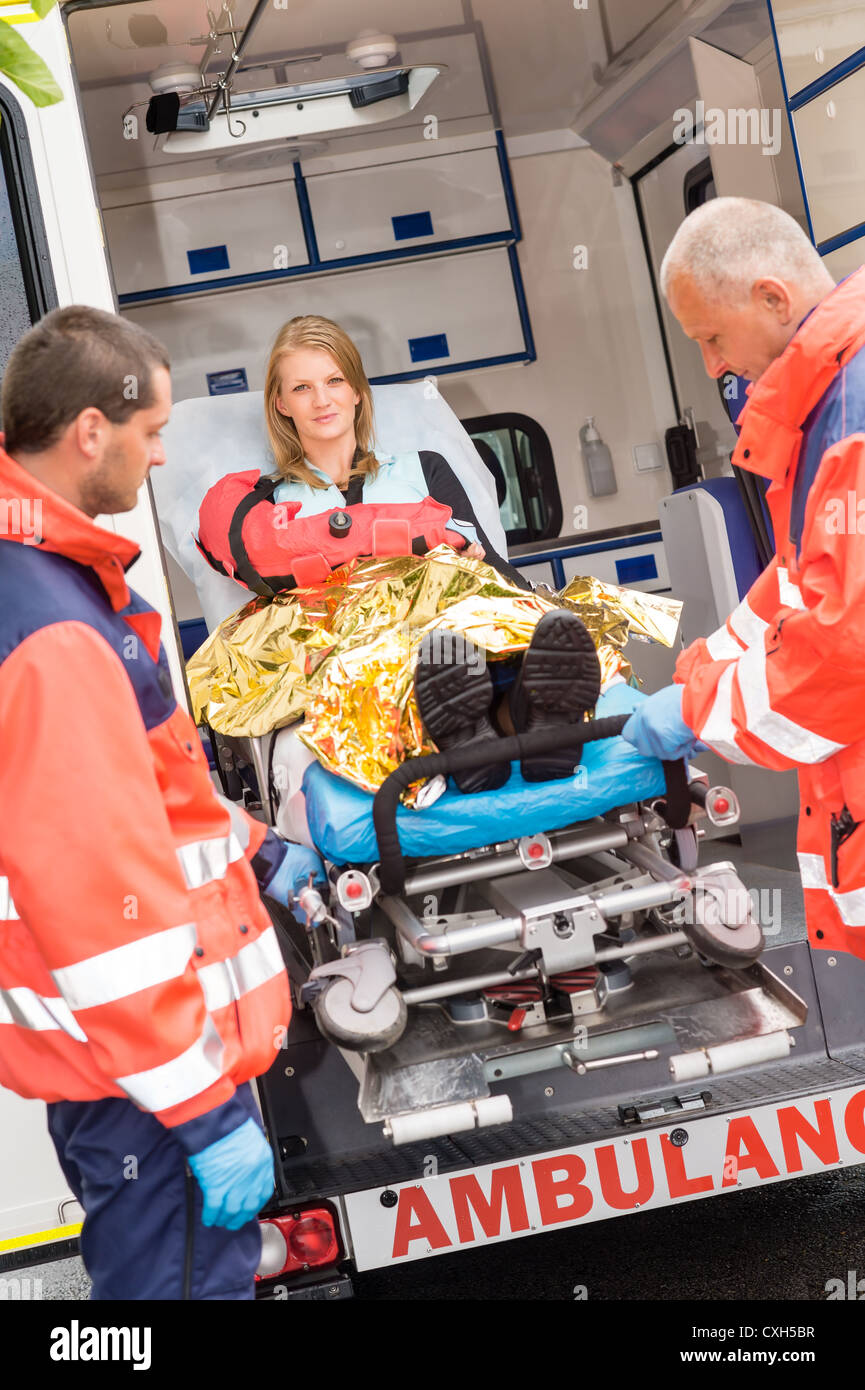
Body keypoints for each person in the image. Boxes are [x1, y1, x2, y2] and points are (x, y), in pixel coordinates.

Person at [0, 305, 325, 1300]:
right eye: (151, 434)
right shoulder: (53, 625)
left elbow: (141, 801)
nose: (159, 457)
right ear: (89, 430)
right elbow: (101, 908)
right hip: (143, 1086)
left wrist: (257, 850)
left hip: (127, 1074)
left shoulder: (52, 583)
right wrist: (205, 1115)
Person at [197, 315, 603, 792]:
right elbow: (261, 577)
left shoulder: (424, 470)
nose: (323, 399)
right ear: (281, 403)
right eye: (303, 388)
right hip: (347, 646)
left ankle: (515, 729)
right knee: (430, 662)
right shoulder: (266, 505)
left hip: (446, 632)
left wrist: (520, 600)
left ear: (357, 392)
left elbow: (488, 562)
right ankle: (486, 730)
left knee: (475, 642)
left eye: (334, 381)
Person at [622, 196, 865, 962]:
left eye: (712, 336)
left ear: (771, 296)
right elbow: (799, 585)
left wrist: (695, 709)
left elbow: (843, 651)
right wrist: (702, 667)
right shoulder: (830, 406)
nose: (712, 364)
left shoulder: (852, 417)